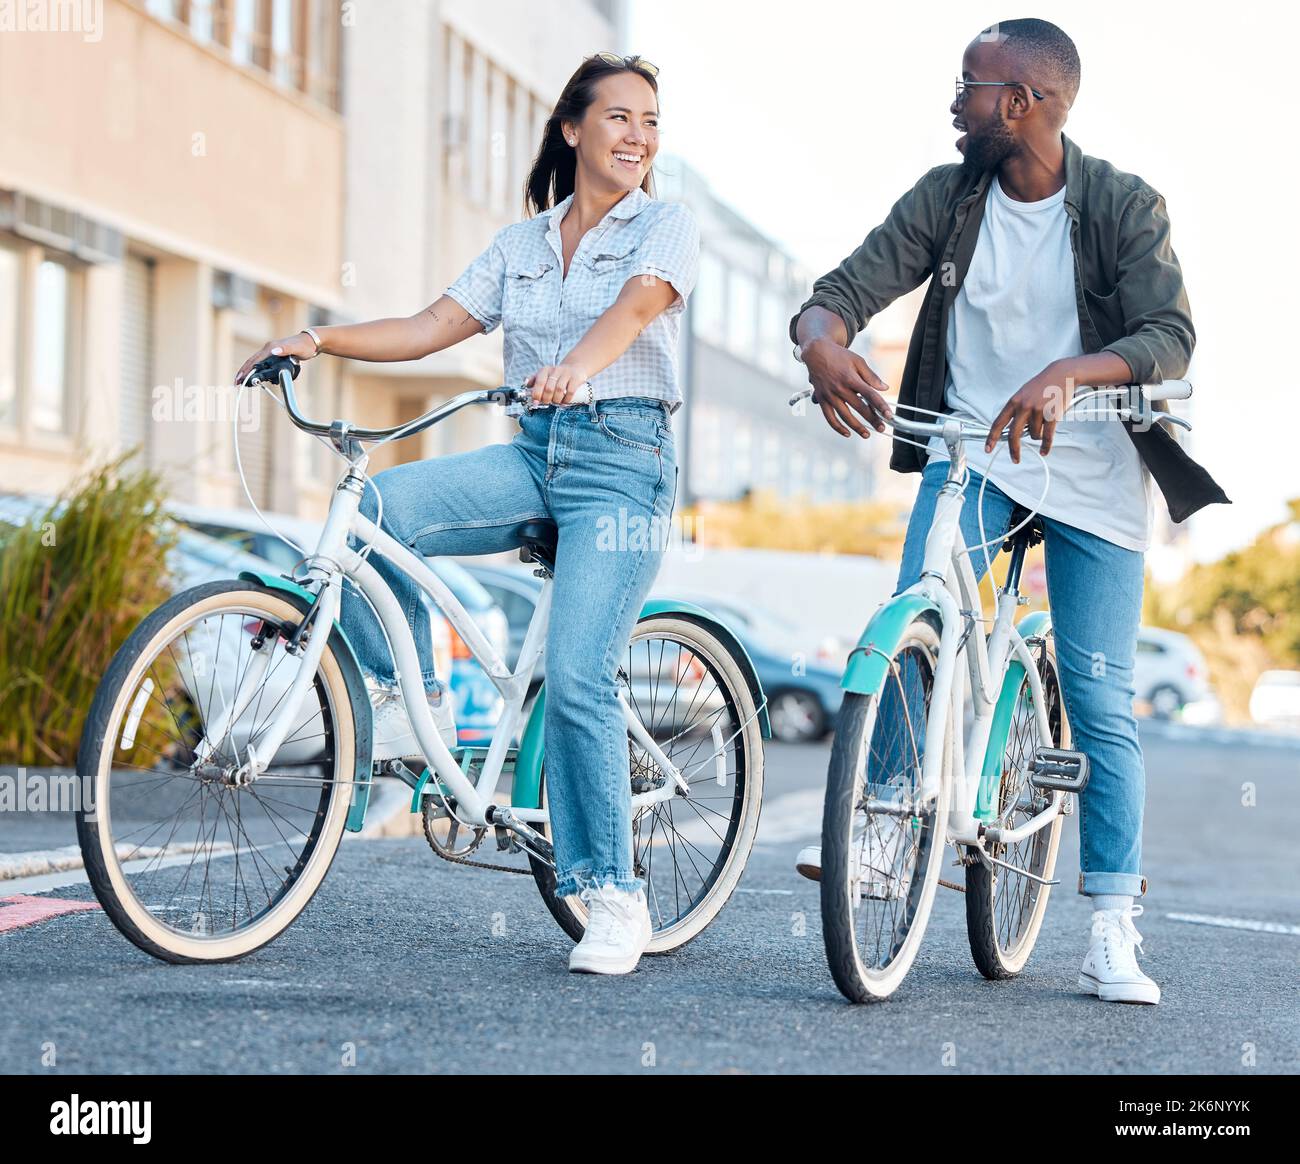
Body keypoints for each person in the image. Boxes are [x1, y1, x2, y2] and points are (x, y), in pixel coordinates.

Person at [788, 18, 1229, 1005]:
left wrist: (1070, 374)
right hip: (974, 455)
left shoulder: (1120, 204)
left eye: (970, 86)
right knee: (919, 615)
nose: (956, 103)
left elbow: (1169, 335)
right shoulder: (946, 200)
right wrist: (820, 340)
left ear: (1022, 104)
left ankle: (1112, 924)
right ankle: (885, 824)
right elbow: (841, 290)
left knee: (1103, 697)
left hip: (1092, 472)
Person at [235, 53, 699, 977]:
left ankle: (612, 894)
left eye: (651, 120)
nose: (639, 136)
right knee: (372, 508)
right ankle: (412, 708)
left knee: (577, 677)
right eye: (618, 117)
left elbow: (642, 306)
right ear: (572, 130)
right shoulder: (521, 246)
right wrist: (316, 338)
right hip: (532, 453)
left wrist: (583, 366)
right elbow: (428, 328)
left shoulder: (668, 226)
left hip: (625, 464)